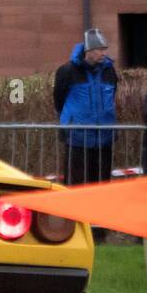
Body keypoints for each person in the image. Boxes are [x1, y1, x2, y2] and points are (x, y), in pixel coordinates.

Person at [53, 29, 118, 237]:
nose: (103, 54)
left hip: (104, 138)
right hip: (77, 138)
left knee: (101, 186)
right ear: (89, 51)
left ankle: (99, 232)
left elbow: (113, 95)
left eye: (104, 50)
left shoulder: (109, 71)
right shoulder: (67, 71)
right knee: (76, 185)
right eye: (100, 50)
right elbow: (59, 100)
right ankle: (74, 231)